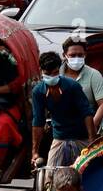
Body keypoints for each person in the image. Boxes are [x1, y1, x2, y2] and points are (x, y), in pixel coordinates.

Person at [31, 50, 96, 179]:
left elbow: (87, 113)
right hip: (60, 137)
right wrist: (35, 151)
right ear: (41, 71)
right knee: (49, 176)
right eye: (47, 74)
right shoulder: (38, 91)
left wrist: (91, 141)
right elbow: (38, 121)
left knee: (88, 173)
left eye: (54, 73)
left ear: (59, 70)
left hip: (80, 136)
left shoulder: (73, 86)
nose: (51, 77)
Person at [59, 35, 103, 128]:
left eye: (80, 55)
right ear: (64, 55)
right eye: (72, 55)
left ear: (85, 54)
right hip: (60, 129)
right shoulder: (56, 74)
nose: (76, 58)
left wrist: (92, 127)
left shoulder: (94, 75)